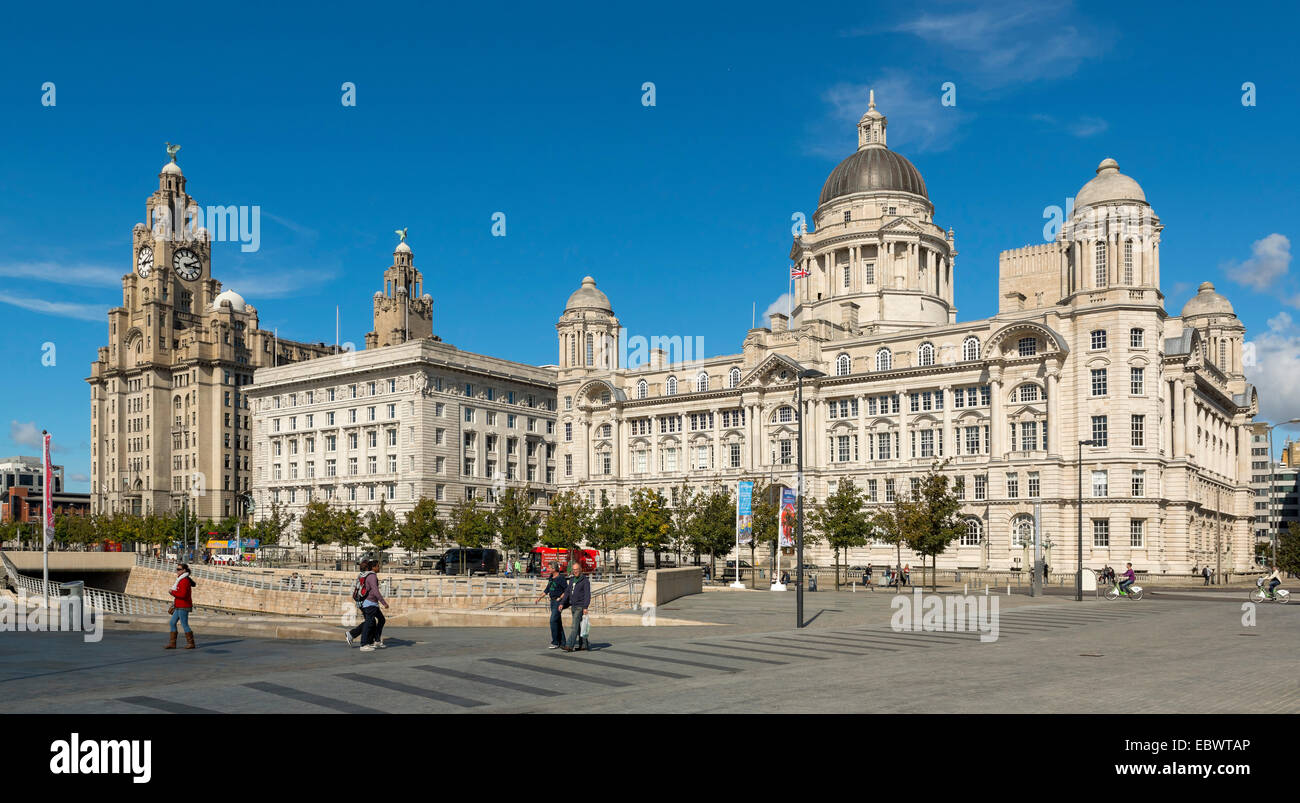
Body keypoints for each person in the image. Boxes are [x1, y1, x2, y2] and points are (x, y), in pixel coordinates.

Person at [358, 560, 390, 652]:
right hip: (370, 603)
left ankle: (376, 641)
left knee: (381, 620)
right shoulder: (372, 576)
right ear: (373, 567)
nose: (379, 568)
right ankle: (363, 644)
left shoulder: (369, 575)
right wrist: (384, 603)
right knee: (368, 623)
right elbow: (375, 591)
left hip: (372, 604)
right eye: (377, 566)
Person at [534, 563, 568, 649]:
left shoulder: (561, 578)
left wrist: (560, 598)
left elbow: (567, 590)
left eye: (549, 567)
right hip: (552, 602)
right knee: (557, 622)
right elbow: (547, 589)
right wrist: (539, 598)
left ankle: (555, 642)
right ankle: (563, 642)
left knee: (553, 621)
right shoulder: (551, 578)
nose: (548, 568)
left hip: (558, 602)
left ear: (554, 569)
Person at [560, 563, 591, 652]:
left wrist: (585, 607)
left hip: (580, 606)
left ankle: (569, 645)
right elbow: (567, 592)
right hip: (573, 606)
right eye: (573, 570)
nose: (575, 571)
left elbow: (587, 595)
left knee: (574, 626)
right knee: (579, 627)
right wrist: (562, 603)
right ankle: (584, 644)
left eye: (577, 569)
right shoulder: (572, 579)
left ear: (580, 569)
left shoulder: (585, 581)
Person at [166, 563, 197, 650]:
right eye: (177, 569)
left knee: (184, 624)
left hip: (184, 605)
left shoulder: (184, 581)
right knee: (172, 622)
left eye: (179, 569)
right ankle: (172, 643)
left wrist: (172, 592)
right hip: (178, 605)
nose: (177, 571)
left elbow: (182, 595)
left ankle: (191, 643)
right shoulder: (180, 580)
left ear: (184, 570)